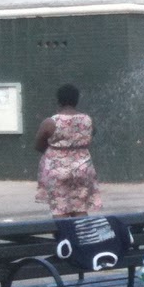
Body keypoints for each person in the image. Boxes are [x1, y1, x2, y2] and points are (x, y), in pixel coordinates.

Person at [34, 83, 101, 218]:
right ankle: (81, 236)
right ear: (76, 100)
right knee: (80, 206)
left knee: (60, 208)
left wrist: (56, 153)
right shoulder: (88, 120)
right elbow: (91, 134)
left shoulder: (50, 122)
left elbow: (38, 145)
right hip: (82, 168)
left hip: (58, 169)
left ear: (59, 100)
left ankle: (65, 237)